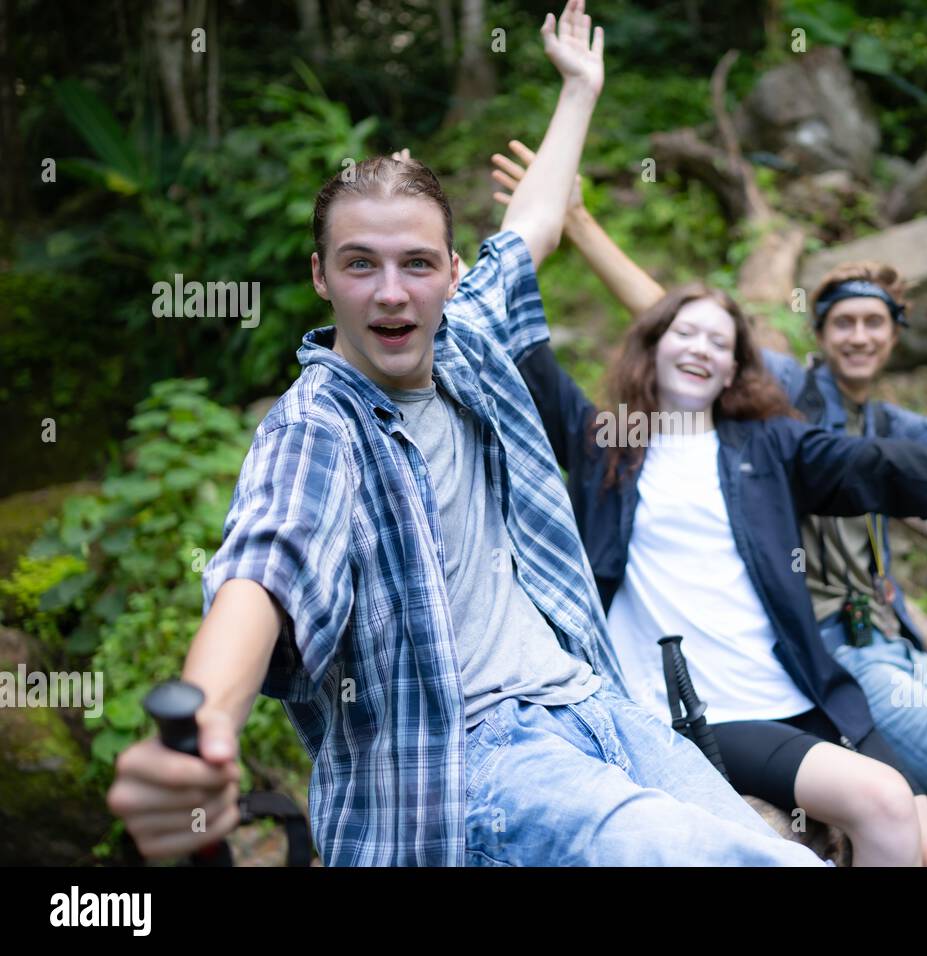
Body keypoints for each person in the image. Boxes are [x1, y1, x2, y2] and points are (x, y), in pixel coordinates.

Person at [106, 0, 826, 868]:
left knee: (781, 853)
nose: (391, 293)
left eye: (416, 264)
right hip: (468, 759)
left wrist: (577, 90)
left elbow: (536, 225)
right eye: (359, 264)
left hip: (594, 705)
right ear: (321, 278)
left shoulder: (468, 339)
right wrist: (203, 733)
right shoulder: (317, 428)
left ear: (452, 272)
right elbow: (263, 574)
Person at [489, 140, 927, 865]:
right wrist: (573, 222)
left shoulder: (860, 430)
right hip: (802, 664)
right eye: (843, 323)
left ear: (897, 334)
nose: (860, 337)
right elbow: (646, 325)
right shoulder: (774, 405)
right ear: (815, 340)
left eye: (875, 322)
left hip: (830, 669)